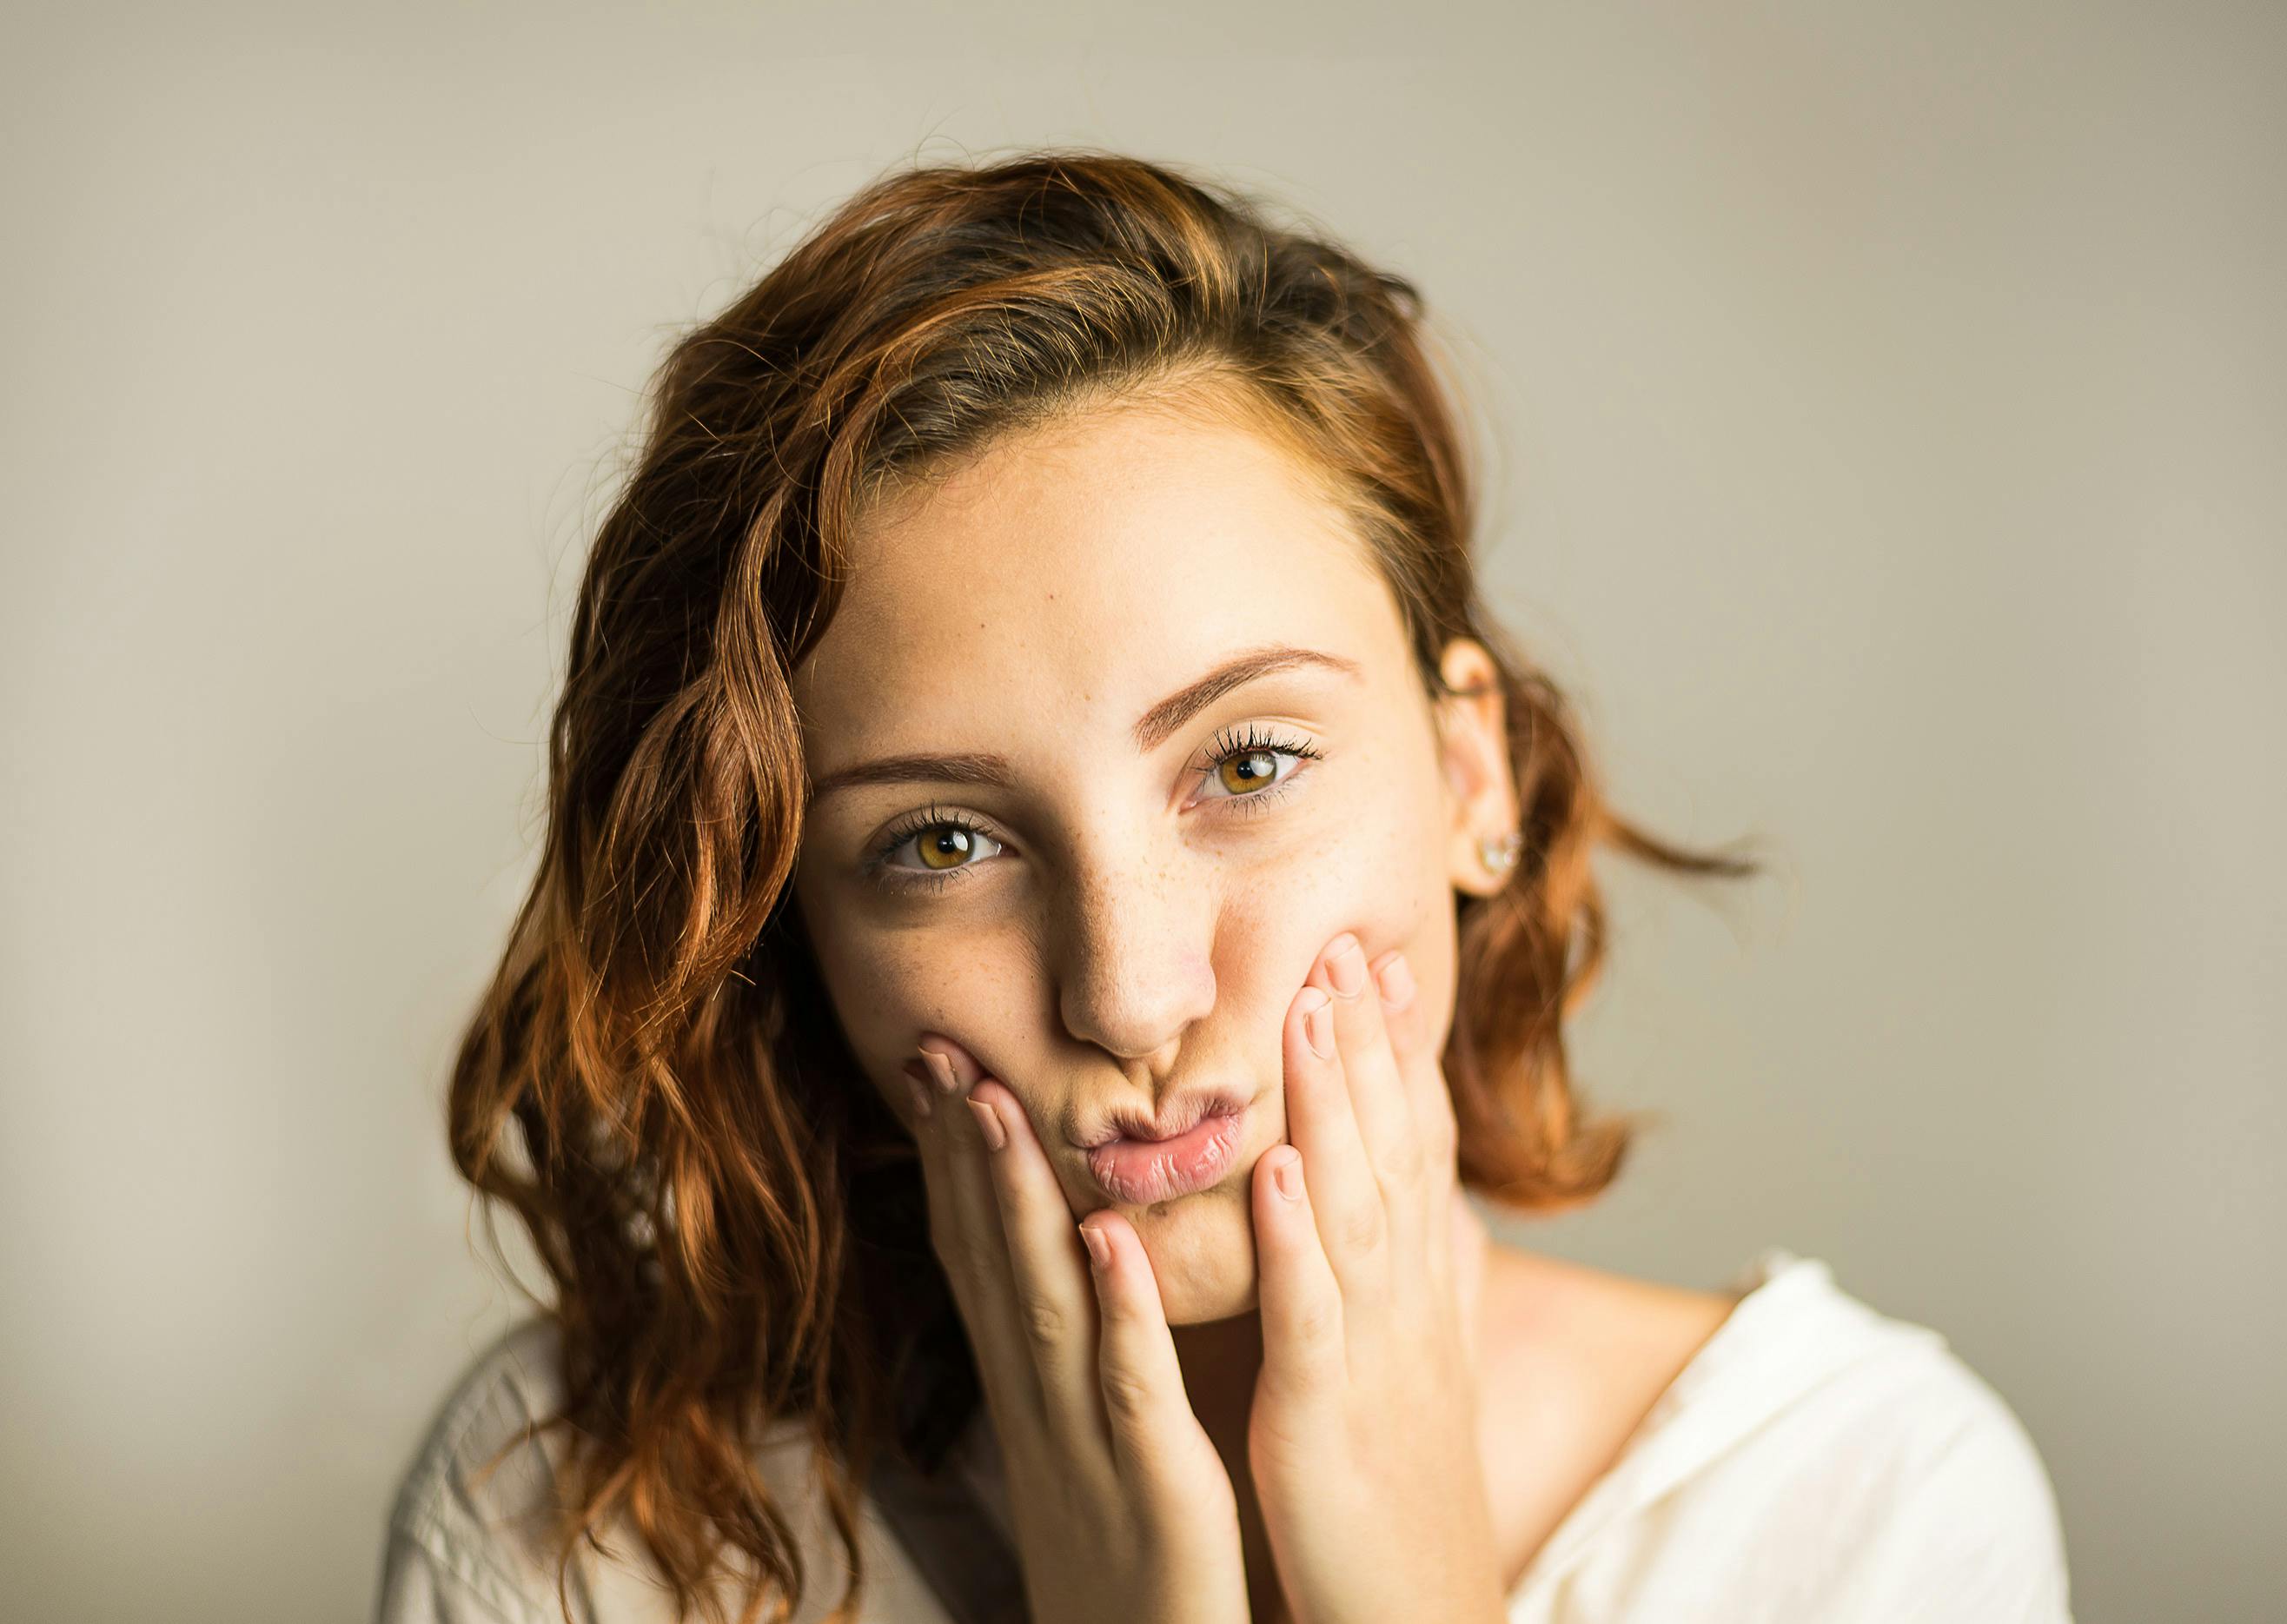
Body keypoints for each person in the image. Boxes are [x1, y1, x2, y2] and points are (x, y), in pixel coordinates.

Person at [377, 149, 2072, 1624]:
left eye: (1248, 764)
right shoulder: (589, 1514)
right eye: (941, 842)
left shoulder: (1852, 1504)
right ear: (792, 932)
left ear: (1468, 772)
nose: (1126, 989)